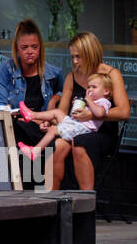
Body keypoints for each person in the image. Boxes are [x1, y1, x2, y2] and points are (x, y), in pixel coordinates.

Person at [50, 31, 131, 190]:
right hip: (75, 128)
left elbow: (124, 112)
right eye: (72, 57)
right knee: (56, 145)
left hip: (102, 132)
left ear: (91, 53)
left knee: (81, 143)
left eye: (79, 56)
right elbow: (62, 112)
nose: (75, 61)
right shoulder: (71, 77)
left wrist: (92, 114)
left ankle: (85, 204)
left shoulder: (111, 74)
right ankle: (52, 201)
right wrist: (49, 121)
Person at [0, 19, 63, 185]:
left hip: (43, 130)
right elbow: (0, 106)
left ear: (40, 48)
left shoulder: (53, 73)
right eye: (24, 48)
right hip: (18, 127)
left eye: (34, 47)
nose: (30, 51)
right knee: (15, 130)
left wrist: (53, 100)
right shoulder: (7, 70)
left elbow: (65, 103)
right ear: (17, 48)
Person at [16, 72, 112, 162]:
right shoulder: (92, 101)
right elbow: (75, 115)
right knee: (57, 112)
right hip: (75, 124)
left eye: (94, 87)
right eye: (88, 87)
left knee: (53, 130)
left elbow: (100, 113)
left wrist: (89, 101)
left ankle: (34, 152)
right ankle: (32, 115)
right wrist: (78, 103)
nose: (90, 89)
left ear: (106, 91)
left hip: (82, 129)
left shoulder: (103, 102)